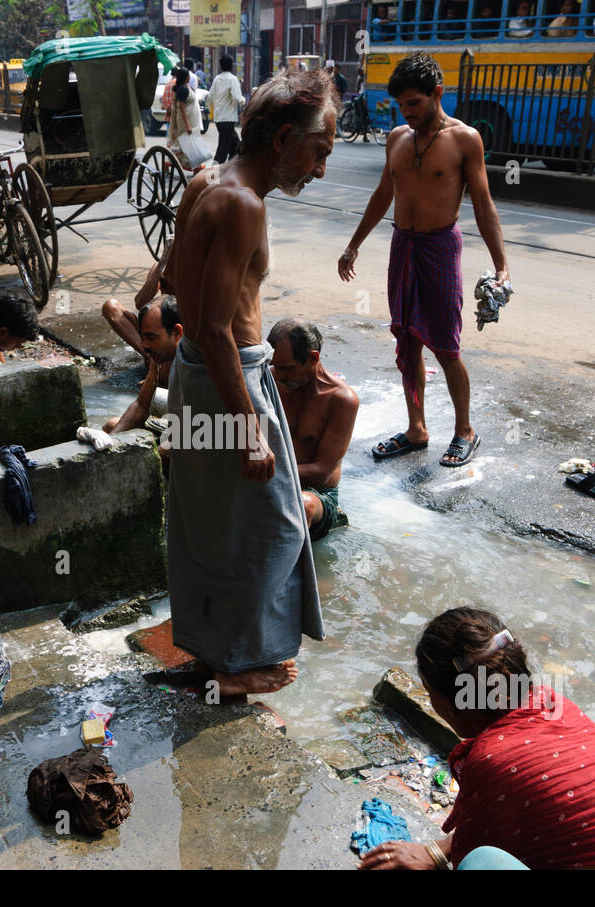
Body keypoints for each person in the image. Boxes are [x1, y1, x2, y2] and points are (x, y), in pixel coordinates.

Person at [160, 68, 336, 697]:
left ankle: (214, 655)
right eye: (318, 153)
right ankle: (245, 667)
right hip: (227, 378)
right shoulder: (243, 203)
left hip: (196, 379)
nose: (318, 171)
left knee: (209, 524)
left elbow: (175, 281)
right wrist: (250, 429)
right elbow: (211, 329)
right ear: (284, 138)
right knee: (278, 524)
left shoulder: (207, 180)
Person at [357, 607, 595, 870]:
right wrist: (438, 850)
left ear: (456, 705)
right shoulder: (553, 704)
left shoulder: (491, 758)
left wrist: (439, 858)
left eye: (430, 693)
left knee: (480, 864)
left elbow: (474, 850)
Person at [338, 54, 509, 468]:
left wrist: (502, 265)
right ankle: (417, 428)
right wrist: (354, 244)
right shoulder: (397, 137)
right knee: (407, 341)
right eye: (402, 105)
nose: (407, 112)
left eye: (414, 103)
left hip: (440, 249)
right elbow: (383, 195)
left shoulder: (465, 139)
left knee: (447, 347)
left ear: (437, 94)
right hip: (404, 247)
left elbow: (483, 205)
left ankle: (464, 430)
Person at [267, 319, 359, 542]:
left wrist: (263, 470)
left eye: (287, 368)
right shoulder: (270, 379)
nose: (277, 375)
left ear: (313, 358)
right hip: (267, 477)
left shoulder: (341, 399)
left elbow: (321, 472)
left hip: (315, 493)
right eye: (274, 365)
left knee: (302, 506)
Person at [102, 296, 182, 436]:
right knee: (112, 427)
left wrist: (159, 453)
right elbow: (141, 406)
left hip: (208, 434)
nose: (143, 345)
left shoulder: (197, 362)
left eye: (151, 337)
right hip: (178, 425)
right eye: (143, 337)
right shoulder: (158, 358)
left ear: (176, 333)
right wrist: (113, 441)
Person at [209, 55, 246, 164]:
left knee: (235, 147)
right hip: (228, 119)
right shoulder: (233, 79)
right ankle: (213, 177)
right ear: (231, 66)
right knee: (222, 150)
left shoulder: (217, 79)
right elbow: (237, 98)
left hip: (219, 118)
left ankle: (232, 170)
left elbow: (210, 96)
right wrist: (243, 100)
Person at [166, 67, 204, 170]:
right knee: (184, 142)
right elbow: (182, 109)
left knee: (187, 142)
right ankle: (182, 162)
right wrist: (188, 125)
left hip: (190, 119)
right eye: (188, 75)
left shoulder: (184, 88)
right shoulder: (183, 89)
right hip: (185, 120)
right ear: (186, 77)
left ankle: (188, 162)